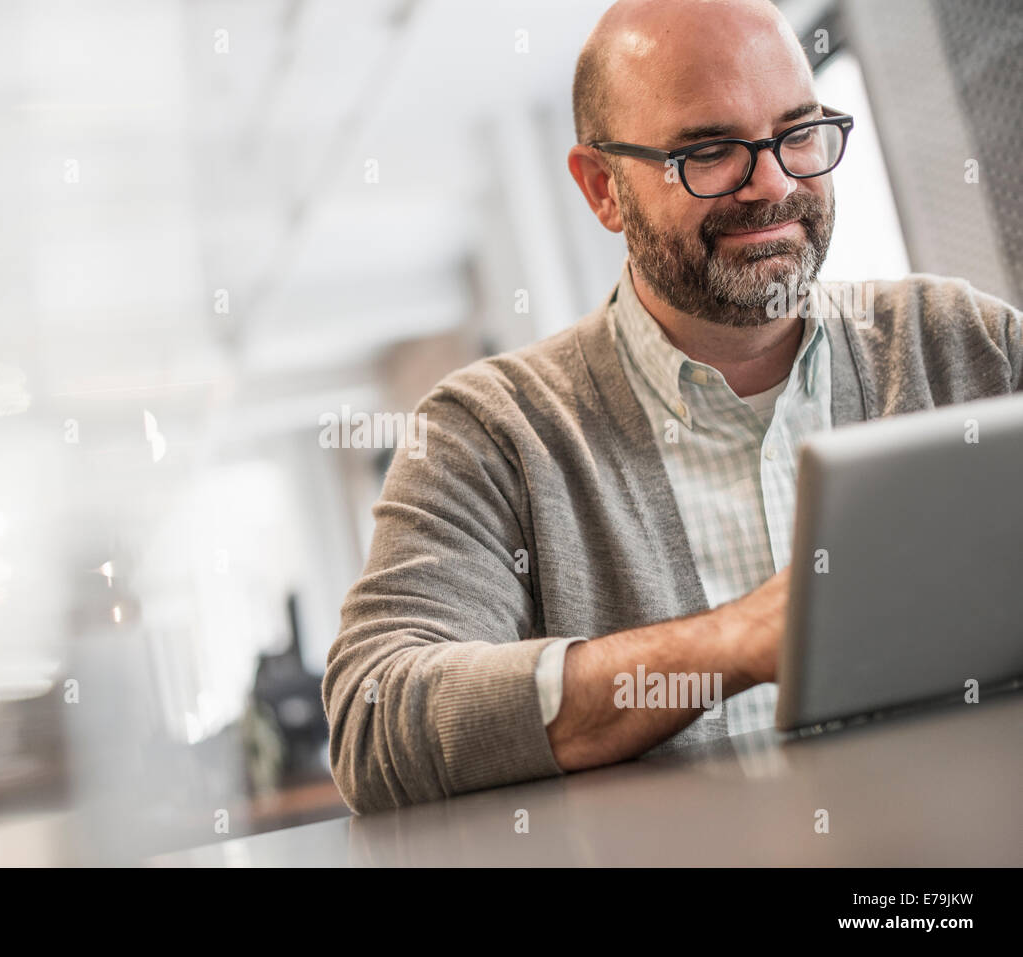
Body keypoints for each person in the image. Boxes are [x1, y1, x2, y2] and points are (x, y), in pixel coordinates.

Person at [322, 0, 1023, 814]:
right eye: (712, 151)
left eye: (799, 133)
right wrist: (737, 639)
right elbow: (377, 718)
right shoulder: (490, 436)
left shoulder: (964, 344)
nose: (776, 182)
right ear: (602, 189)